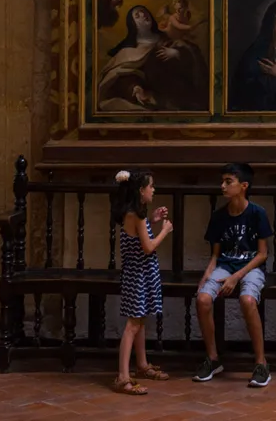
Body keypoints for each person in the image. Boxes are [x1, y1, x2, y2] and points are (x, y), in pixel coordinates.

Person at [193, 163, 275, 387]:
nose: (223, 186)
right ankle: (212, 359)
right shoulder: (219, 216)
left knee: (247, 300)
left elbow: (262, 254)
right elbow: (215, 255)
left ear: (243, 186)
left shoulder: (257, 213)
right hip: (224, 266)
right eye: (223, 181)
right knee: (202, 299)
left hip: (250, 268)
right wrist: (205, 278)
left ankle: (261, 363)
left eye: (228, 182)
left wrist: (236, 277)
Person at [111, 169, 173, 395]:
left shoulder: (136, 213)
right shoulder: (136, 215)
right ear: (141, 190)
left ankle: (142, 364)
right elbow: (147, 247)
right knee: (133, 325)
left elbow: (140, 236)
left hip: (139, 274)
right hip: (138, 276)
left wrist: (154, 220)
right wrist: (165, 230)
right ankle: (122, 376)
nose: (153, 190)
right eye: (151, 186)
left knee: (140, 320)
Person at [98, 5, 210, 112]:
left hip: (180, 94)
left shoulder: (166, 37)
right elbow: (122, 77)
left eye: (144, 12)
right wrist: (135, 88)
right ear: (133, 24)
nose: (143, 15)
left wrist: (177, 53)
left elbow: (192, 51)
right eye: (137, 15)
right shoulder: (128, 52)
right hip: (153, 97)